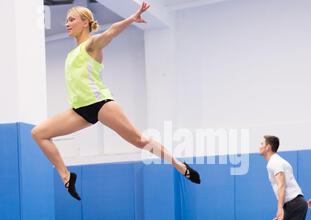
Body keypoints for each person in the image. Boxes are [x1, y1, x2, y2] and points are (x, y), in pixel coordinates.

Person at [32, 2, 201, 201]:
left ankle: (180, 166)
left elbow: (111, 32)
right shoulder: (71, 54)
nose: (67, 24)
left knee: (140, 141)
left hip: (100, 103)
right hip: (78, 110)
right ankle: (66, 176)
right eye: (66, 20)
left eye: (72, 19)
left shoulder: (92, 44)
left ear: (85, 22)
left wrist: (131, 19)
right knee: (39, 133)